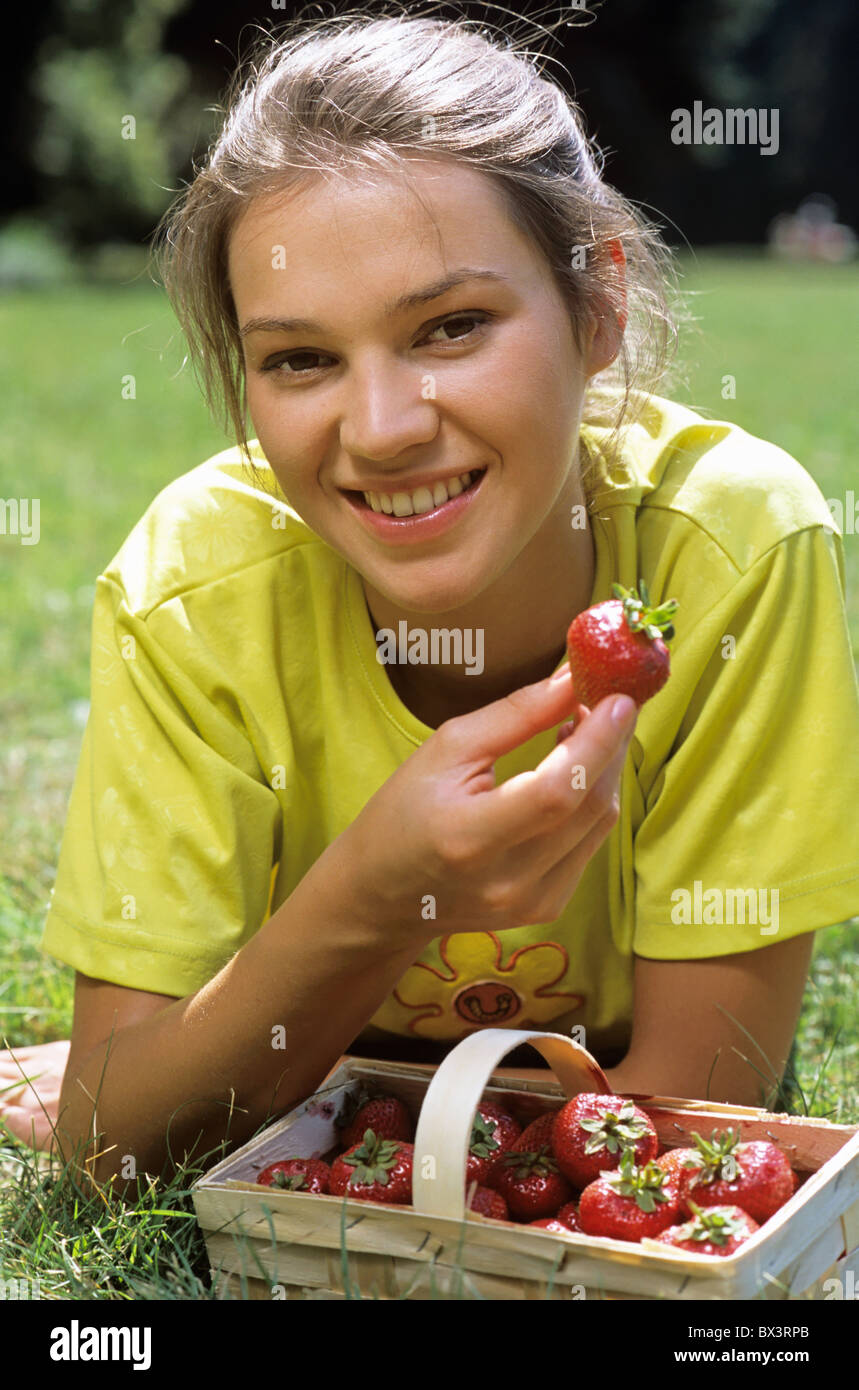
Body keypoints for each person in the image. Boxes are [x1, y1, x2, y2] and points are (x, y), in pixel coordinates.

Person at [2, 8, 857, 1195]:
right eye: (300, 359)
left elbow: (688, 1121)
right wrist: (369, 897)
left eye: (451, 326)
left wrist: (203, 1065)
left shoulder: (731, 549)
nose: (386, 428)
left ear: (597, 303)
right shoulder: (192, 590)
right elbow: (108, 1145)